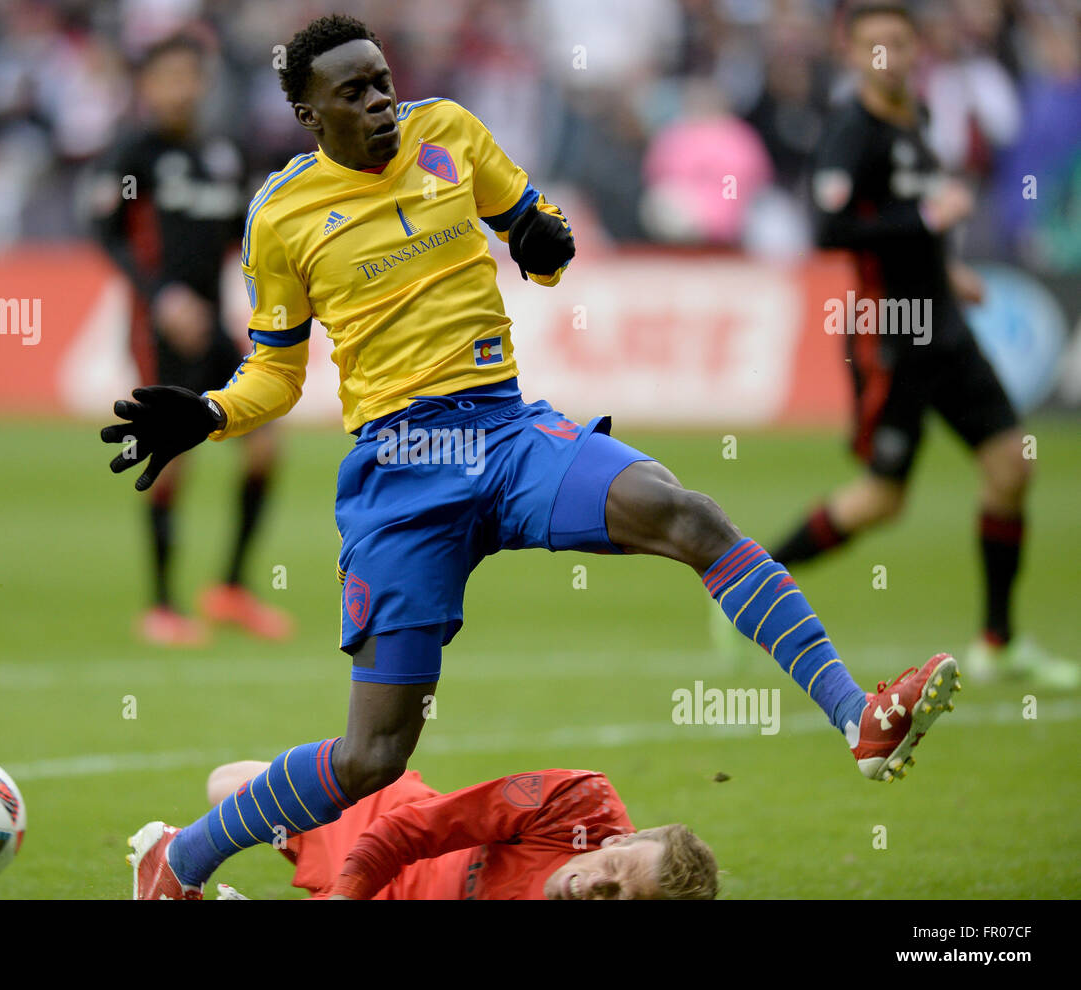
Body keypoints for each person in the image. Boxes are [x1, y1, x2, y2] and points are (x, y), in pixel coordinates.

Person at [102, 14, 960, 900]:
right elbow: (277, 374)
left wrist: (545, 244)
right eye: (352, 92)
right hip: (400, 472)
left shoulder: (451, 133)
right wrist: (207, 413)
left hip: (506, 431)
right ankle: (180, 862)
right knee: (372, 756)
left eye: (382, 79)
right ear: (309, 114)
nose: (380, 99)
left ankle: (858, 716)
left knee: (687, 514)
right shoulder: (281, 216)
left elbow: (533, 230)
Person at [767, 3, 1076, 688]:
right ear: (852, 55)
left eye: (899, 44)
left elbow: (907, 228)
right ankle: (750, 583)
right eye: (874, 47)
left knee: (1010, 469)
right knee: (882, 499)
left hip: (947, 327)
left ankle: (998, 640)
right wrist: (928, 218)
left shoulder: (921, 118)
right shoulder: (851, 131)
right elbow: (830, 229)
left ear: (915, 50)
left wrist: (948, 270)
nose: (889, 58)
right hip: (893, 335)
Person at [91, 34, 293, 646]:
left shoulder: (224, 154)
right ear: (147, 87)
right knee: (170, 454)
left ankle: (230, 587)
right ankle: (160, 605)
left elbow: (245, 233)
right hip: (160, 326)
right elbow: (109, 235)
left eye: (189, 76)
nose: (180, 88)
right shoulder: (134, 155)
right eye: (166, 77)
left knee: (265, 444)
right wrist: (161, 297)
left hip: (213, 322)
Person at [161, 760, 717, 900]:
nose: (601, 889)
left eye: (624, 900)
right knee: (226, 786)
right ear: (616, 841)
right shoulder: (579, 805)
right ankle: (170, 856)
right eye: (614, 872)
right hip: (396, 841)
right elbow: (411, 831)